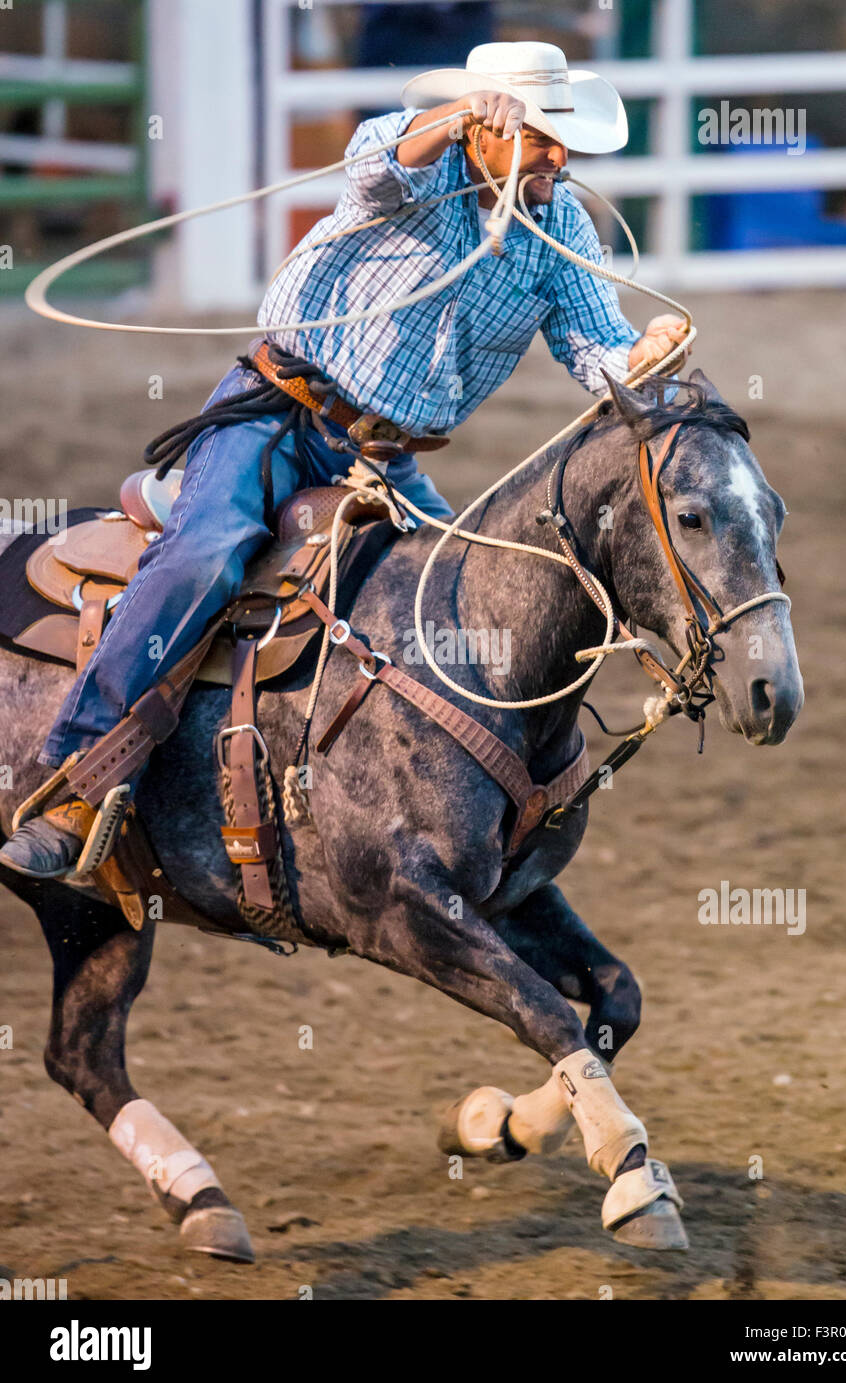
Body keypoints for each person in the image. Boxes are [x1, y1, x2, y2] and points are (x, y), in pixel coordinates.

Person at [0, 40, 689, 879]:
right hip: (282, 415)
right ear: (487, 125)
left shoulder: (561, 228)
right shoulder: (420, 165)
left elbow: (597, 348)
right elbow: (376, 163)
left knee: (459, 605)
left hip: (383, 456)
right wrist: (452, 121)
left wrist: (641, 359)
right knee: (206, 554)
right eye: (543, 135)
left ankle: (425, 812)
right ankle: (75, 782)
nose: (560, 156)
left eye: (565, 138)